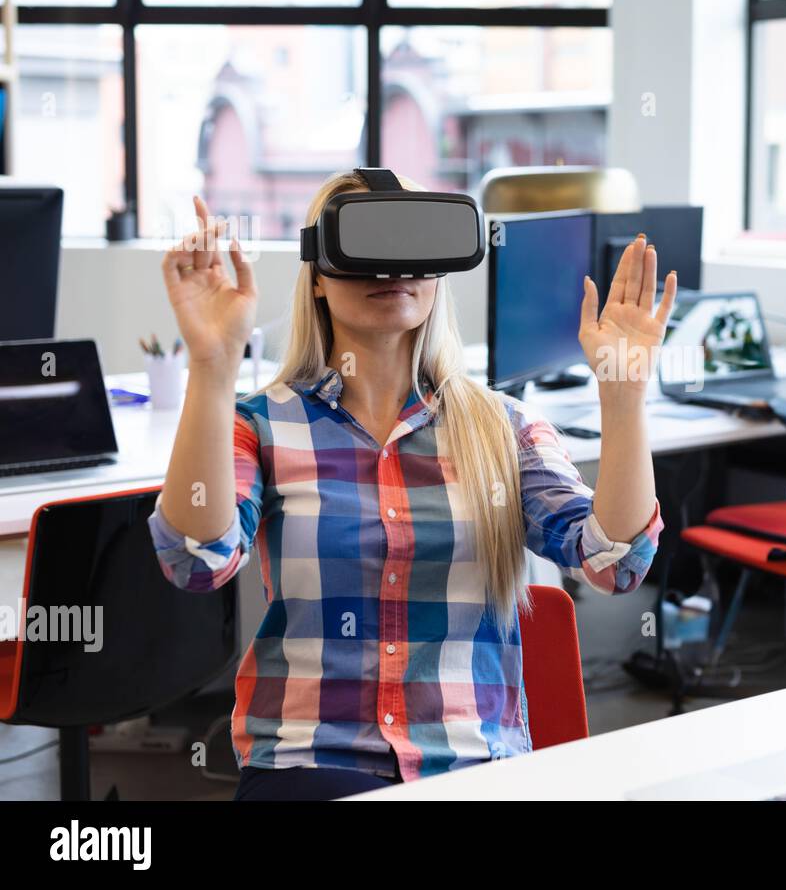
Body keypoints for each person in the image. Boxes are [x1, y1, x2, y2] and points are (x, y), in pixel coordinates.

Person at [148, 171, 674, 800]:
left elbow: (616, 563)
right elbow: (194, 562)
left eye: (411, 248)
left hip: (472, 766)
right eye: (367, 246)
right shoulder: (262, 425)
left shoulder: (504, 427)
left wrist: (623, 397)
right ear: (317, 272)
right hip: (311, 762)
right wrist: (212, 366)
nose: (391, 269)